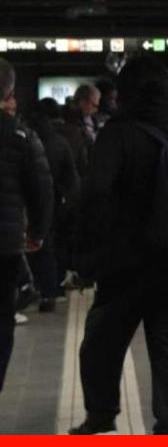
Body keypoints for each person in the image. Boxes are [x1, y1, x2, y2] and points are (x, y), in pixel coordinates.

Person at [70, 56, 168, 435]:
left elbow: (95, 194)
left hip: (126, 264)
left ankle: (101, 415)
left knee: (102, 344)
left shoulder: (118, 132)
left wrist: (86, 255)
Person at [0, 57, 54, 394]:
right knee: (2, 321)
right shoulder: (18, 134)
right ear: (9, 89)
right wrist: (37, 232)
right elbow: (41, 189)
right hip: (4, 245)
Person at [25, 102, 80, 313]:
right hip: (56, 201)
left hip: (29, 201)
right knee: (50, 246)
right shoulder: (62, 141)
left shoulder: (27, 139)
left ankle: (30, 289)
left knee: (29, 246)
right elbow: (72, 176)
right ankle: (50, 291)